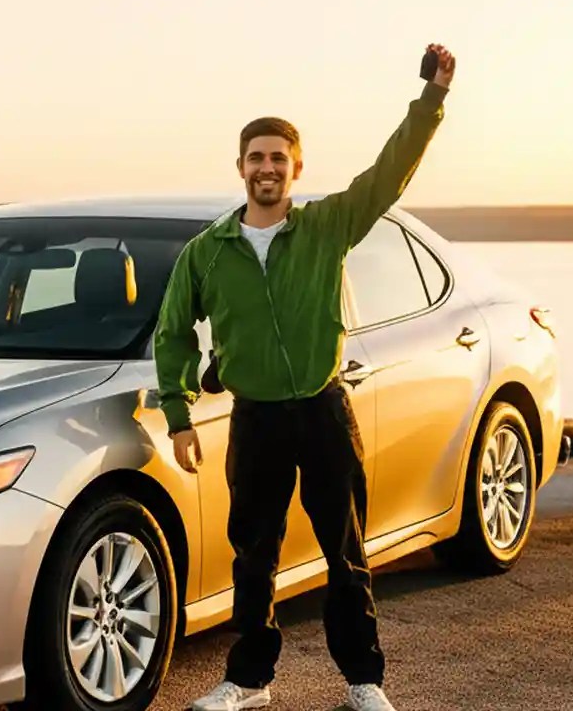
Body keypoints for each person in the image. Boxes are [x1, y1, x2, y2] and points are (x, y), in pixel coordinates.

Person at [152, 44, 456, 711]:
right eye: (256, 157)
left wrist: (430, 100)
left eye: (278, 158)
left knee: (345, 554)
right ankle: (249, 682)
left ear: (296, 168)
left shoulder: (324, 228)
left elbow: (388, 175)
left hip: (324, 411)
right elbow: (172, 335)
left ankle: (364, 682)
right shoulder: (207, 254)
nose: (267, 167)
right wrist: (176, 417)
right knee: (252, 558)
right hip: (255, 420)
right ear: (240, 168)